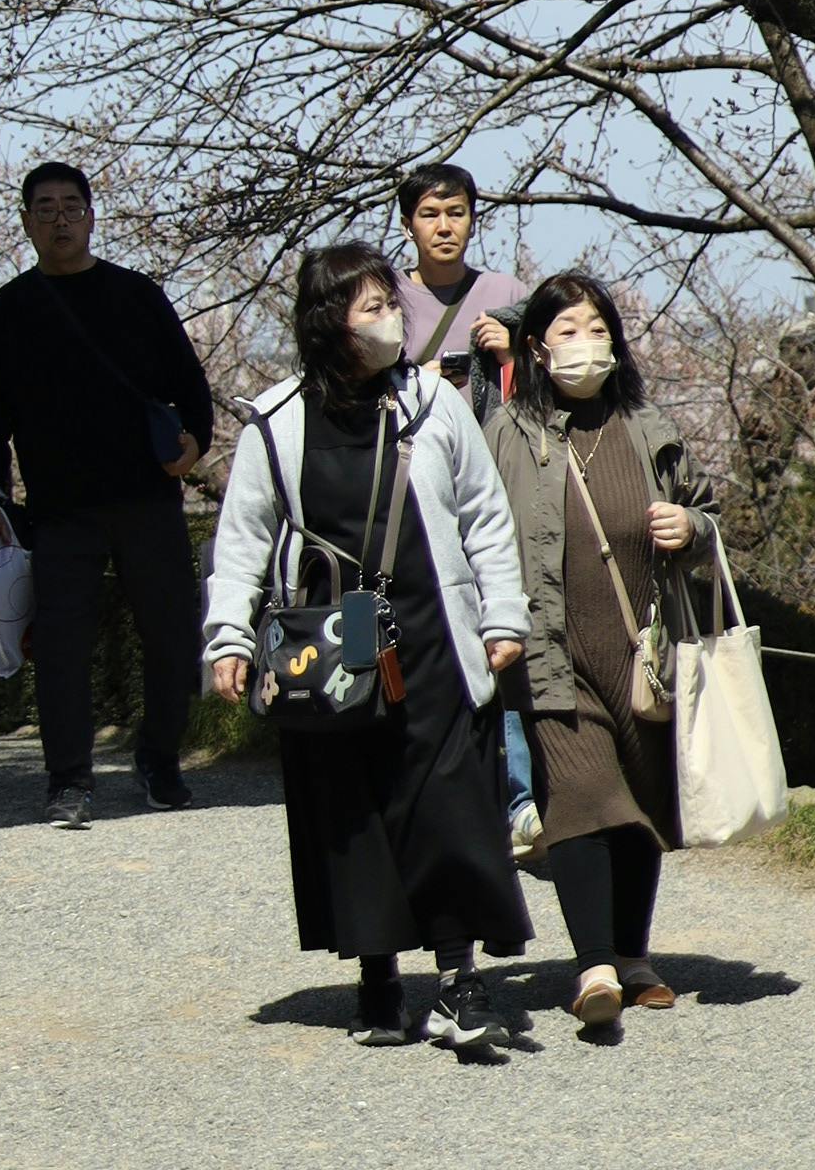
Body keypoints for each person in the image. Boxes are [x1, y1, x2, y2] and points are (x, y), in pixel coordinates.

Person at [205, 238, 533, 1057]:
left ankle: (461, 979)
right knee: (351, 808)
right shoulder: (276, 422)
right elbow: (242, 540)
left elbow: (484, 515)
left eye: (394, 304)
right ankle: (379, 977)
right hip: (330, 644)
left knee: (451, 804)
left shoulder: (431, 401)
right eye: (375, 308)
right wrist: (230, 637)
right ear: (330, 324)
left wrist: (502, 620)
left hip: (431, 632)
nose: (395, 319)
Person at [483, 271, 715, 1029]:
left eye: (597, 329)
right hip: (549, 647)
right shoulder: (508, 436)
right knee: (583, 798)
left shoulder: (649, 429)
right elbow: (476, 530)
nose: (586, 346)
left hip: (641, 647)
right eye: (568, 332)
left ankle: (633, 951)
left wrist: (693, 528)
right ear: (537, 350)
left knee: (639, 799)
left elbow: (707, 513)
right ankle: (593, 966)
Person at [0, 161, 215, 824]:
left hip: (145, 497)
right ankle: (68, 777)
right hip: (60, 508)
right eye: (44, 208)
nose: (60, 219)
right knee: (61, 645)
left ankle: (159, 759)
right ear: (25, 222)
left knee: (168, 636)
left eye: (71, 206)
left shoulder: (136, 296)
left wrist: (196, 442)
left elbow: (190, 389)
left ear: (92, 215)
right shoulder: (4, 312)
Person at [396, 163, 528, 393]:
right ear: (408, 227)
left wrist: (511, 357)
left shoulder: (509, 293)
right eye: (430, 215)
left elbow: (545, 384)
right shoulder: (386, 296)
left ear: (473, 222)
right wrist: (416, 383)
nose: (444, 227)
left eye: (456, 213)